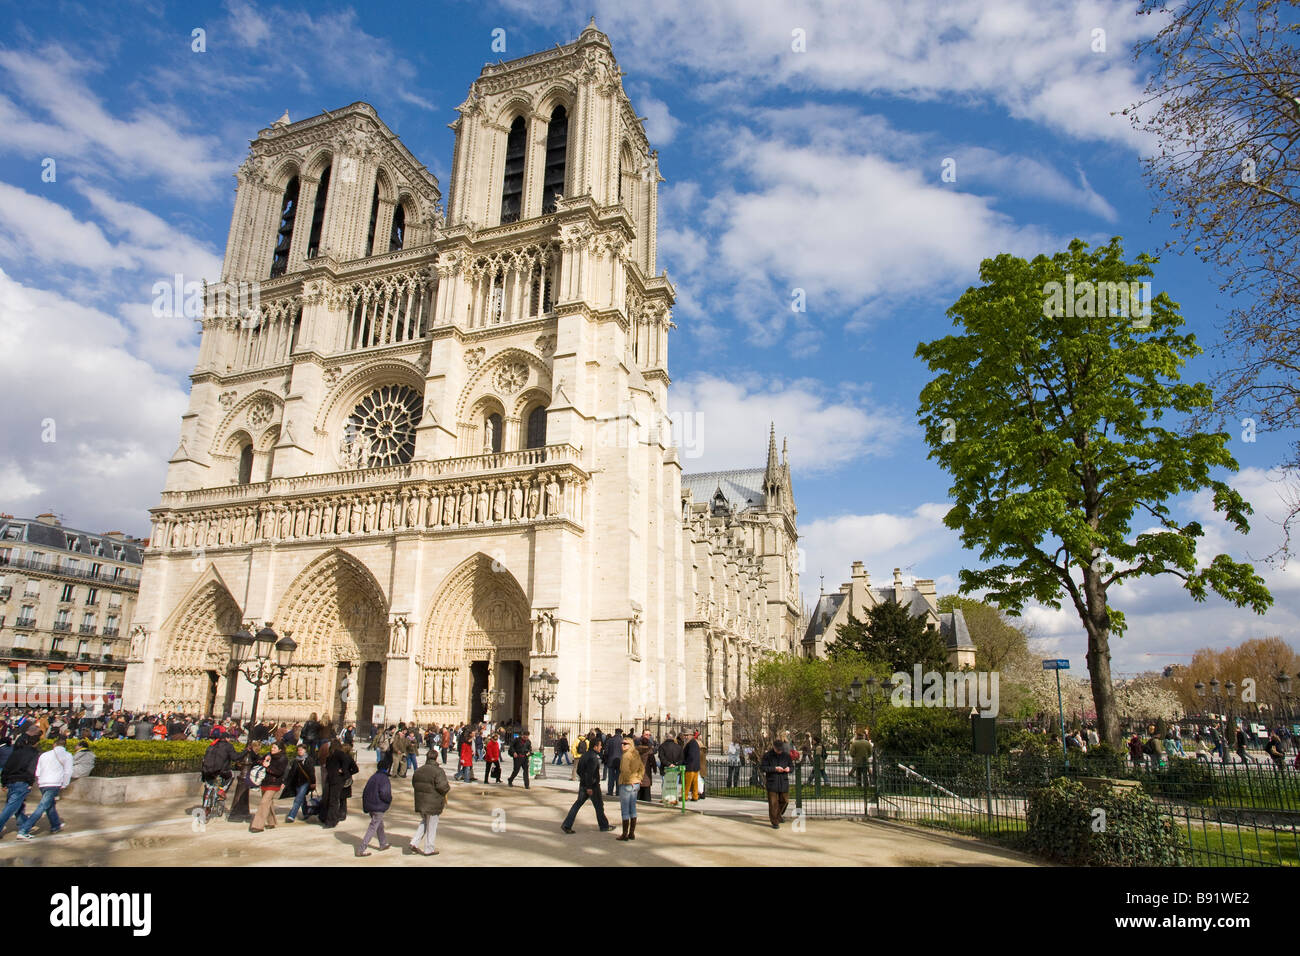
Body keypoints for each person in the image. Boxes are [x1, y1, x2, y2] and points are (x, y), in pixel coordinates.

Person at [16, 735, 74, 839]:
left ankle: (55, 825)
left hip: (43, 782)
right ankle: (24, 830)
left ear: (54, 744)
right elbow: (68, 771)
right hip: (54, 782)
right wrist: (65, 784)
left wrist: (39, 780)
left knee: (49, 804)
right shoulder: (67, 755)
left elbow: (38, 770)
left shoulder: (44, 755)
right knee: (43, 806)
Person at [562, 737, 613, 834]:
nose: (601, 747)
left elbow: (579, 770)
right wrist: (589, 786)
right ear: (595, 746)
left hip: (583, 784)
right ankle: (604, 825)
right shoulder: (593, 757)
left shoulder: (584, 755)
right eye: (600, 745)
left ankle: (567, 824)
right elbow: (590, 773)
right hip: (592, 786)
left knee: (577, 805)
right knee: (598, 806)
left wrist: (584, 781)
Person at [410, 750, 451, 856]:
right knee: (432, 826)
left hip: (421, 800)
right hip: (433, 801)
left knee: (424, 821)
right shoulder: (438, 771)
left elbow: (414, 784)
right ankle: (429, 848)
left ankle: (414, 842)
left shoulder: (419, 770)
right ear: (436, 758)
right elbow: (442, 787)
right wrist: (447, 788)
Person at [0, 734, 38, 837]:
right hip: (22, 782)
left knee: (17, 805)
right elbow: (31, 769)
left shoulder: (15, 752)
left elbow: (6, 768)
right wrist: (30, 783)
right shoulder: (33, 753)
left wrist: (4, 782)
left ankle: (24, 823)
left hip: (11, 781)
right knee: (11, 807)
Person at [358, 755, 394, 856]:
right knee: (373, 826)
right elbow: (385, 794)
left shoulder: (373, 777)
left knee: (379, 825)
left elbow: (365, 791)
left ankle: (383, 843)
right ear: (387, 768)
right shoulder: (384, 779)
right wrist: (389, 800)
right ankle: (361, 848)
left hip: (370, 804)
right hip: (378, 805)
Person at [250, 741, 287, 832]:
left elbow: (279, 772)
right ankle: (271, 822)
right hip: (265, 782)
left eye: (274, 748)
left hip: (274, 783)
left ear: (280, 749)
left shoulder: (283, 758)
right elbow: (257, 762)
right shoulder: (268, 755)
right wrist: (263, 761)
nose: (272, 749)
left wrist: (268, 767)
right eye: (272, 747)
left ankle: (257, 825)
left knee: (263, 802)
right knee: (268, 803)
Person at [321, 742, 358, 828]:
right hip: (337, 780)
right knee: (335, 800)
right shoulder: (336, 756)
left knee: (334, 800)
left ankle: (331, 819)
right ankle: (332, 818)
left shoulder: (337, 756)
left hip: (338, 780)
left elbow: (353, 769)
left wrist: (345, 773)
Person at [760, 736, 793, 829]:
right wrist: (774, 769)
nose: (779, 751)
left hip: (783, 781)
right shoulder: (768, 756)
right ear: (774, 748)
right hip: (772, 781)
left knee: (785, 801)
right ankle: (775, 821)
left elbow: (792, 766)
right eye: (778, 750)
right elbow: (763, 768)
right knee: (773, 803)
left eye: (780, 750)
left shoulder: (786, 755)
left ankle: (778, 815)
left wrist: (789, 769)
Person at [616, 735, 645, 841]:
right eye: (622, 743)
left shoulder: (626, 756)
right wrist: (639, 778)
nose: (622, 745)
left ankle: (624, 834)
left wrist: (629, 781)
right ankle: (631, 833)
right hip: (635, 783)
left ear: (630, 744)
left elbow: (625, 770)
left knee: (625, 810)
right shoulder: (636, 753)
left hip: (627, 783)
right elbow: (642, 767)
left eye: (625, 744)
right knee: (632, 808)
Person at [226, 740, 263, 823]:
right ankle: (236, 813)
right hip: (245, 777)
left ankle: (241, 812)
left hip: (244, 777)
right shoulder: (251, 755)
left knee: (242, 796)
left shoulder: (247, 753)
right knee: (240, 796)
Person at [284, 744, 316, 823]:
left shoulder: (309, 760)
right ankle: (306, 812)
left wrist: (313, 782)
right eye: (298, 750)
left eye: (301, 750)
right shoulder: (296, 760)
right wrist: (286, 782)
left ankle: (291, 815)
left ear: (305, 750)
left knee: (298, 799)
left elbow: (312, 772)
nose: (300, 751)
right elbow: (291, 772)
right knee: (302, 799)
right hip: (297, 782)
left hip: (305, 782)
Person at [635, 737, 656, 802]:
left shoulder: (636, 750)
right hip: (646, 771)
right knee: (646, 790)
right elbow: (653, 761)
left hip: (638, 771)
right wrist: (654, 769)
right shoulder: (649, 751)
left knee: (638, 790)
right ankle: (647, 800)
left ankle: (638, 800)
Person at [683, 731, 702, 801]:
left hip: (690, 767)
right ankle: (695, 796)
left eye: (687, 735)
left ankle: (684, 796)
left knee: (687, 783)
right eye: (685, 735)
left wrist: (685, 763)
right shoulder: (694, 743)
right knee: (694, 783)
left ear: (691, 735)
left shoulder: (691, 744)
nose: (685, 737)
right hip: (695, 767)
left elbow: (691, 756)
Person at [605, 728, 623, 796]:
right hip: (620, 761)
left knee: (611, 778)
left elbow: (606, 751)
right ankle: (618, 791)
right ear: (620, 733)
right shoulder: (622, 741)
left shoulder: (610, 740)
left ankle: (610, 791)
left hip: (611, 761)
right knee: (619, 777)